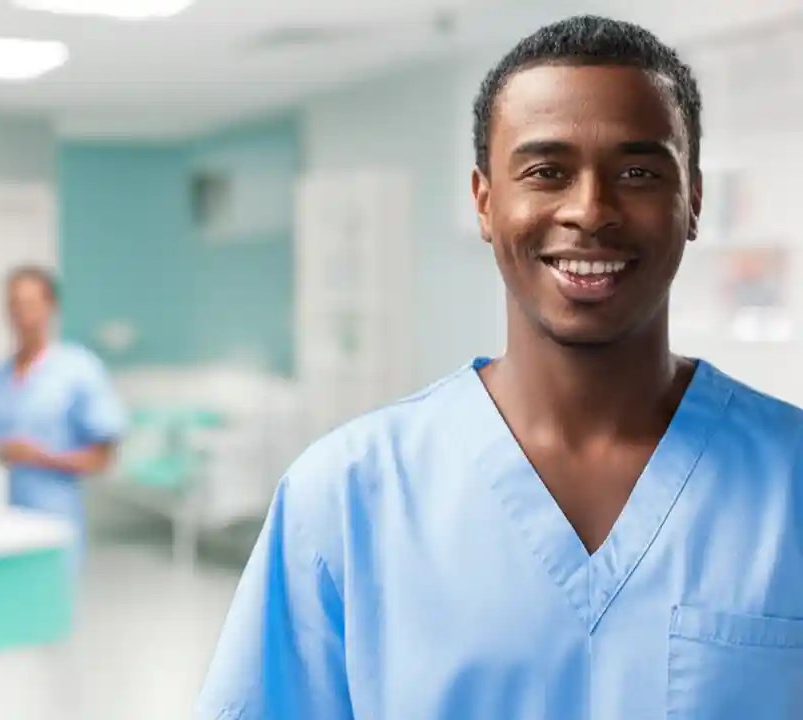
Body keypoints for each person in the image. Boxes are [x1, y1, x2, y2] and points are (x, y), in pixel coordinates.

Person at [197, 15, 803, 720]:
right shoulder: (344, 496)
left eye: (637, 173)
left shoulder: (790, 483)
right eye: (547, 172)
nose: (590, 210)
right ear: (486, 202)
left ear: (692, 200)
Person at [0, 266, 126, 578]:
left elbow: (104, 459)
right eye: (13, 305)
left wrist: (41, 457)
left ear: (51, 307)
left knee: (49, 617)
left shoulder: (78, 370)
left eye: (30, 304)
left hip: (53, 523)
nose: (22, 315)